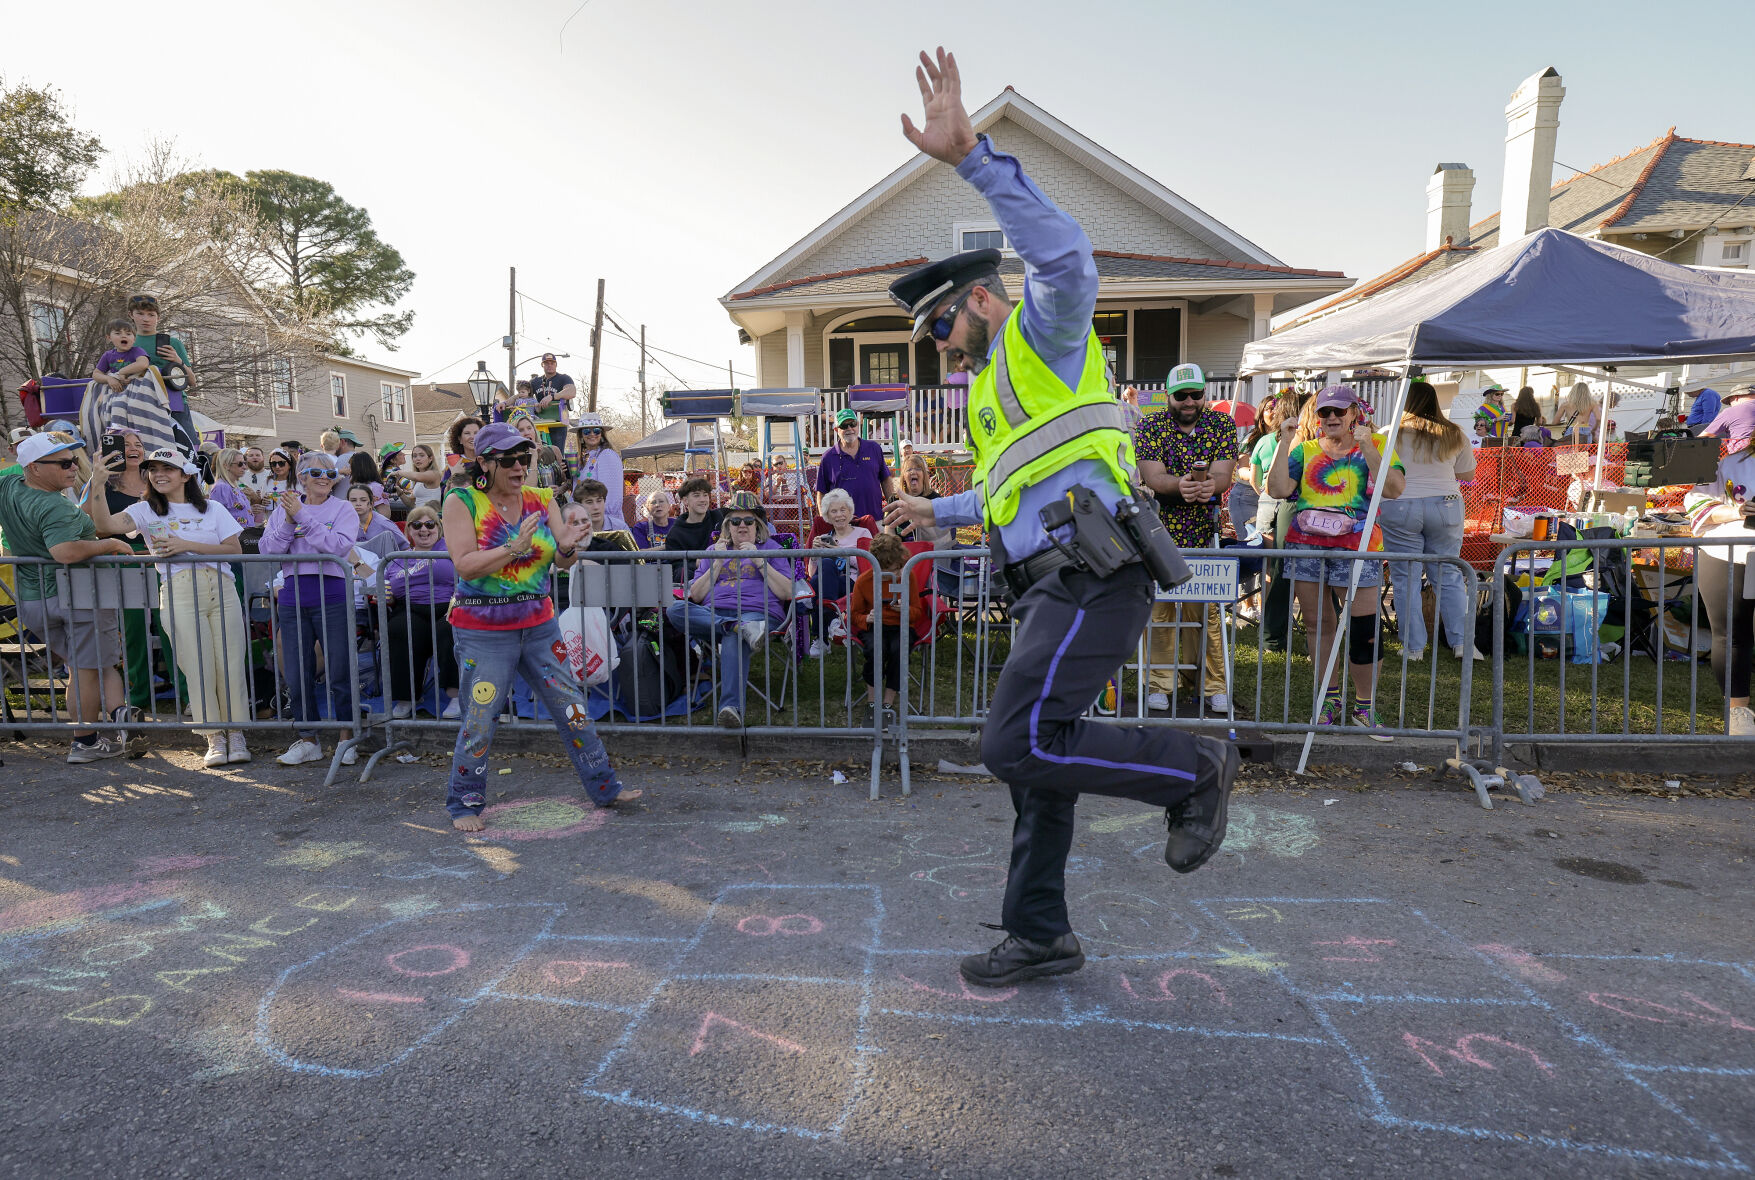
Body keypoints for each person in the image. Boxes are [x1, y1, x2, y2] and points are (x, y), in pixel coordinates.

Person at [882, 48, 1237, 988]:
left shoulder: (1041, 334)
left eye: (938, 327)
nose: (936, 347)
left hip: (1095, 571)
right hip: (1048, 581)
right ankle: (1039, 932)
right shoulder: (991, 394)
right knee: (1039, 764)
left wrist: (972, 160)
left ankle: (1193, 772)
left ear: (979, 298)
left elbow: (1067, 253)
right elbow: (1011, 489)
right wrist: (938, 509)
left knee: (1016, 743)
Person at [441, 423, 636, 830]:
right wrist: (513, 547)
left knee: (573, 710)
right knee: (480, 719)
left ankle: (606, 787)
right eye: (509, 459)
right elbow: (464, 563)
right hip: (484, 630)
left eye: (524, 459)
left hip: (539, 624)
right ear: (485, 463)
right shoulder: (462, 500)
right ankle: (464, 804)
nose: (519, 466)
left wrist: (570, 544)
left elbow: (560, 562)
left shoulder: (542, 497)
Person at [96, 446, 253, 767]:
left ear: (186, 475)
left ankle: (237, 733)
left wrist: (186, 545)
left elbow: (233, 549)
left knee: (231, 663)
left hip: (222, 588)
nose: (159, 474)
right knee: (196, 664)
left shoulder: (212, 508)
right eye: (153, 469)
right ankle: (214, 737)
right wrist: (96, 483)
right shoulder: (144, 510)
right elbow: (104, 525)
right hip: (180, 590)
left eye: (167, 468)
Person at [1266, 385, 1405, 737]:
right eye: (1324, 411)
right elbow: (1278, 490)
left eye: (1338, 412)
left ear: (1354, 414)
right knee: (1317, 625)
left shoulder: (1377, 445)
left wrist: (1367, 446)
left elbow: (1393, 488)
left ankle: (1364, 707)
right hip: (1308, 544)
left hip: (1358, 546)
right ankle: (1329, 700)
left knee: (1364, 629)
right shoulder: (1305, 449)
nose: (1330, 418)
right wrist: (1284, 442)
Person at [0, 433, 137, 762]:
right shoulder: (51, 505)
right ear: (33, 468)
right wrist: (110, 544)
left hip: (34, 601)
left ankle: (118, 716)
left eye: (73, 460)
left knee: (87, 666)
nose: (72, 467)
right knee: (84, 671)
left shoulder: (8, 483)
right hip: (72, 596)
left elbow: (76, 516)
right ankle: (86, 742)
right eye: (63, 463)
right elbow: (65, 550)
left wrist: (96, 482)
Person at [1134, 361, 1235, 716]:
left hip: (1204, 533)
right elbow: (1151, 475)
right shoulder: (1150, 425)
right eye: (1182, 395)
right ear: (1168, 396)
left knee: (1205, 612)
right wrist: (1179, 486)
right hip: (1161, 533)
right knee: (1160, 612)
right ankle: (1159, 683)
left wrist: (1212, 485)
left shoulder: (1221, 423)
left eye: (1196, 394)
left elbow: (1224, 472)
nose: (1190, 401)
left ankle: (1211, 686)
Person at [259, 450, 362, 767]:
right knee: (296, 669)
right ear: (301, 477)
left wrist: (301, 516)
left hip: (331, 590)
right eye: (318, 474)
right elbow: (268, 550)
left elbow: (338, 547)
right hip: (293, 592)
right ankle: (308, 739)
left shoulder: (343, 508)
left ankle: (348, 737)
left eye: (331, 474)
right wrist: (290, 520)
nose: (326, 480)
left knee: (340, 666)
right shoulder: (284, 509)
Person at [666, 490, 796, 729]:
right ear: (728, 526)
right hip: (715, 616)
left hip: (758, 614)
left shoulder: (772, 548)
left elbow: (787, 592)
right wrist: (716, 564)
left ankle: (732, 708)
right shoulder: (713, 551)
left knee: (734, 635)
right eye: (735, 521)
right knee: (674, 609)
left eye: (749, 521)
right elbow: (695, 595)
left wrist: (759, 561)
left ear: (758, 526)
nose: (742, 526)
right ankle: (733, 627)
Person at [1378, 381, 1475, 661]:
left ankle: (1413, 648)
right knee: (1449, 575)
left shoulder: (1389, 433)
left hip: (1400, 506)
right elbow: (1466, 474)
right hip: (1445, 504)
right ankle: (1462, 644)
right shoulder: (1454, 433)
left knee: (1405, 578)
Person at [1684, 429, 1755, 736]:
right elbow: (1697, 504)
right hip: (1727, 554)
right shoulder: (1731, 462)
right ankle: (1738, 714)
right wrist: (1735, 511)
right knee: (1731, 636)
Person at [384, 504, 460, 720]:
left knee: (448, 629)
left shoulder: (451, 549)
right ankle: (407, 697)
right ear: (409, 530)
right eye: (417, 525)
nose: (423, 530)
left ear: (439, 528)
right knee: (400, 629)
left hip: (448, 606)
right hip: (410, 608)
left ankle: (455, 696)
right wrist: (386, 596)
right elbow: (387, 586)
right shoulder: (398, 558)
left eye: (429, 524)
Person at [849, 532, 924, 716]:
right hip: (874, 627)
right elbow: (854, 615)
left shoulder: (908, 576)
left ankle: (887, 703)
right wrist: (867, 618)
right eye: (889, 572)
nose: (895, 574)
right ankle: (872, 702)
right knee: (876, 649)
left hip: (902, 626)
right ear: (876, 567)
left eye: (898, 569)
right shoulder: (864, 581)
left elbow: (917, 613)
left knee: (899, 650)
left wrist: (904, 609)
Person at [809, 487, 873, 657]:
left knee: (821, 579)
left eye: (842, 510)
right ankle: (832, 623)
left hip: (855, 584)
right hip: (830, 585)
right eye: (834, 511)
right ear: (828, 516)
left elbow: (869, 565)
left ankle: (820, 638)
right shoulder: (825, 537)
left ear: (850, 511)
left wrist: (840, 551)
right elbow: (813, 573)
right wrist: (814, 555)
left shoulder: (863, 533)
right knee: (820, 576)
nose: (839, 515)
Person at [126, 294, 197, 446]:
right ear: (131, 315)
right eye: (140, 314)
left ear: (158, 317)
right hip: (141, 406)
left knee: (186, 452)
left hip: (175, 407)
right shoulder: (126, 345)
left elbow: (192, 381)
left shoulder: (173, 343)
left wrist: (177, 360)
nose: (146, 319)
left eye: (151, 315)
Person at [816, 408, 895, 522]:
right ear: (836, 429)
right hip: (843, 525)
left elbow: (885, 479)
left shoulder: (874, 449)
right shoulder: (828, 457)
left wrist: (893, 508)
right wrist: (825, 520)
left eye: (852, 424)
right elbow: (822, 492)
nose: (849, 428)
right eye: (844, 426)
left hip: (875, 520)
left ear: (858, 425)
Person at [574, 414, 626, 529]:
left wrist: (602, 524)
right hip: (585, 524)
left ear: (601, 434)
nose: (592, 434)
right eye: (587, 431)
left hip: (603, 525)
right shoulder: (583, 459)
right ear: (581, 436)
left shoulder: (607, 455)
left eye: (596, 431)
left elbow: (612, 498)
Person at [892, 454, 950, 545]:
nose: (913, 472)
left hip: (928, 551)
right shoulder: (894, 500)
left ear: (924, 475)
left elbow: (942, 533)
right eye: (909, 469)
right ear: (903, 476)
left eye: (918, 469)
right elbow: (888, 530)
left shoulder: (935, 498)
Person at [663, 477, 722, 553]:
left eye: (705, 495)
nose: (702, 500)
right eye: (696, 495)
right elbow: (677, 562)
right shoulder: (676, 532)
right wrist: (698, 563)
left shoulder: (718, 518)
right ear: (685, 500)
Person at [93, 319, 151, 392]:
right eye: (118, 333)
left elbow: (143, 364)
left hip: (137, 390)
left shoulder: (137, 351)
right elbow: (96, 374)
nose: (124, 336)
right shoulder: (108, 355)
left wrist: (122, 372)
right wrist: (109, 379)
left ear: (134, 339)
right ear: (109, 338)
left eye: (128, 334)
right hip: (118, 391)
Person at [530, 353, 577, 443]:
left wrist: (552, 396)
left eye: (552, 363)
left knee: (556, 453)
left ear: (556, 365)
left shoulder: (564, 378)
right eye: (546, 363)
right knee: (540, 452)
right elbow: (522, 394)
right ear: (542, 365)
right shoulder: (535, 381)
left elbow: (572, 391)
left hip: (558, 422)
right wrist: (505, 403)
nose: (549, 365)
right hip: (539, 423)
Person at [208, 448, 256, 530]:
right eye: (240, 464)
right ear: (226, 465)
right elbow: (216, 518)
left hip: (245, 536)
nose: (244, 467)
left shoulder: (233, 486)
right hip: (233, 538)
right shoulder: (222, 487)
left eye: (245, 463)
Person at [1700, 384, 1755, 453]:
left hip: (1744, 456)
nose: (1731, 405)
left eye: (1729, 402)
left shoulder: (1731, 411)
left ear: (1735, 397)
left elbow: (1704, 436)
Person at [405, 443, 445, 508]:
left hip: (432, 516)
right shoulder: (418, 480)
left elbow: (416, 476)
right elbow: (411, 504)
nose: (418, 459)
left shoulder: (434, 474)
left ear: (430, 458)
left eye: (422, 455)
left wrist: (398, 472)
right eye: (415, 456)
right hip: (420, 516)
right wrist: (399, 492)